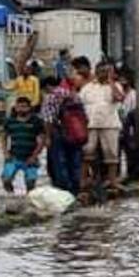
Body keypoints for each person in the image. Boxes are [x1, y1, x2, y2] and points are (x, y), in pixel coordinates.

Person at [41, 57, 91, 196]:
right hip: (76, 134)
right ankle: (75, 191)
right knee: (75, 162)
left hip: (59, 133)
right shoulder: (75, 96)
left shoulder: (52, 96)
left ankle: (64, 192)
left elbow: (48, 119)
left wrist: (48, 137)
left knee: (60, 163)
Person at [78, 59, 125, 195]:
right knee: (88, 152)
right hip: (90, 124)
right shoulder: (88, 87)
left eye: (106, 71)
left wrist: (111, 82)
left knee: (111, 154)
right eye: (101, 71)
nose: (103, 73)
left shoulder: (116, 86)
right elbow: (80, 104)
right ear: (96, 71)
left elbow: (119, 98)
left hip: (110, 123)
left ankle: (112, 180)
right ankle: (84, 179)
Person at [1, 96, 46, 194]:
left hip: (30, 157)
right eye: (19, 106)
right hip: (14, 156)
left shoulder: (36, 121)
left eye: (24, 107)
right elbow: (3, 137)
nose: (21, 109)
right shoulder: (9, 121)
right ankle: (11, 197)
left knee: (30, 184)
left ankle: (28, 200)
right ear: (15, 107)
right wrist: (5, 153)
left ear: (30, 108)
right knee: (6, 180)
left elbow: (42, 141)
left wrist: (34, 156)